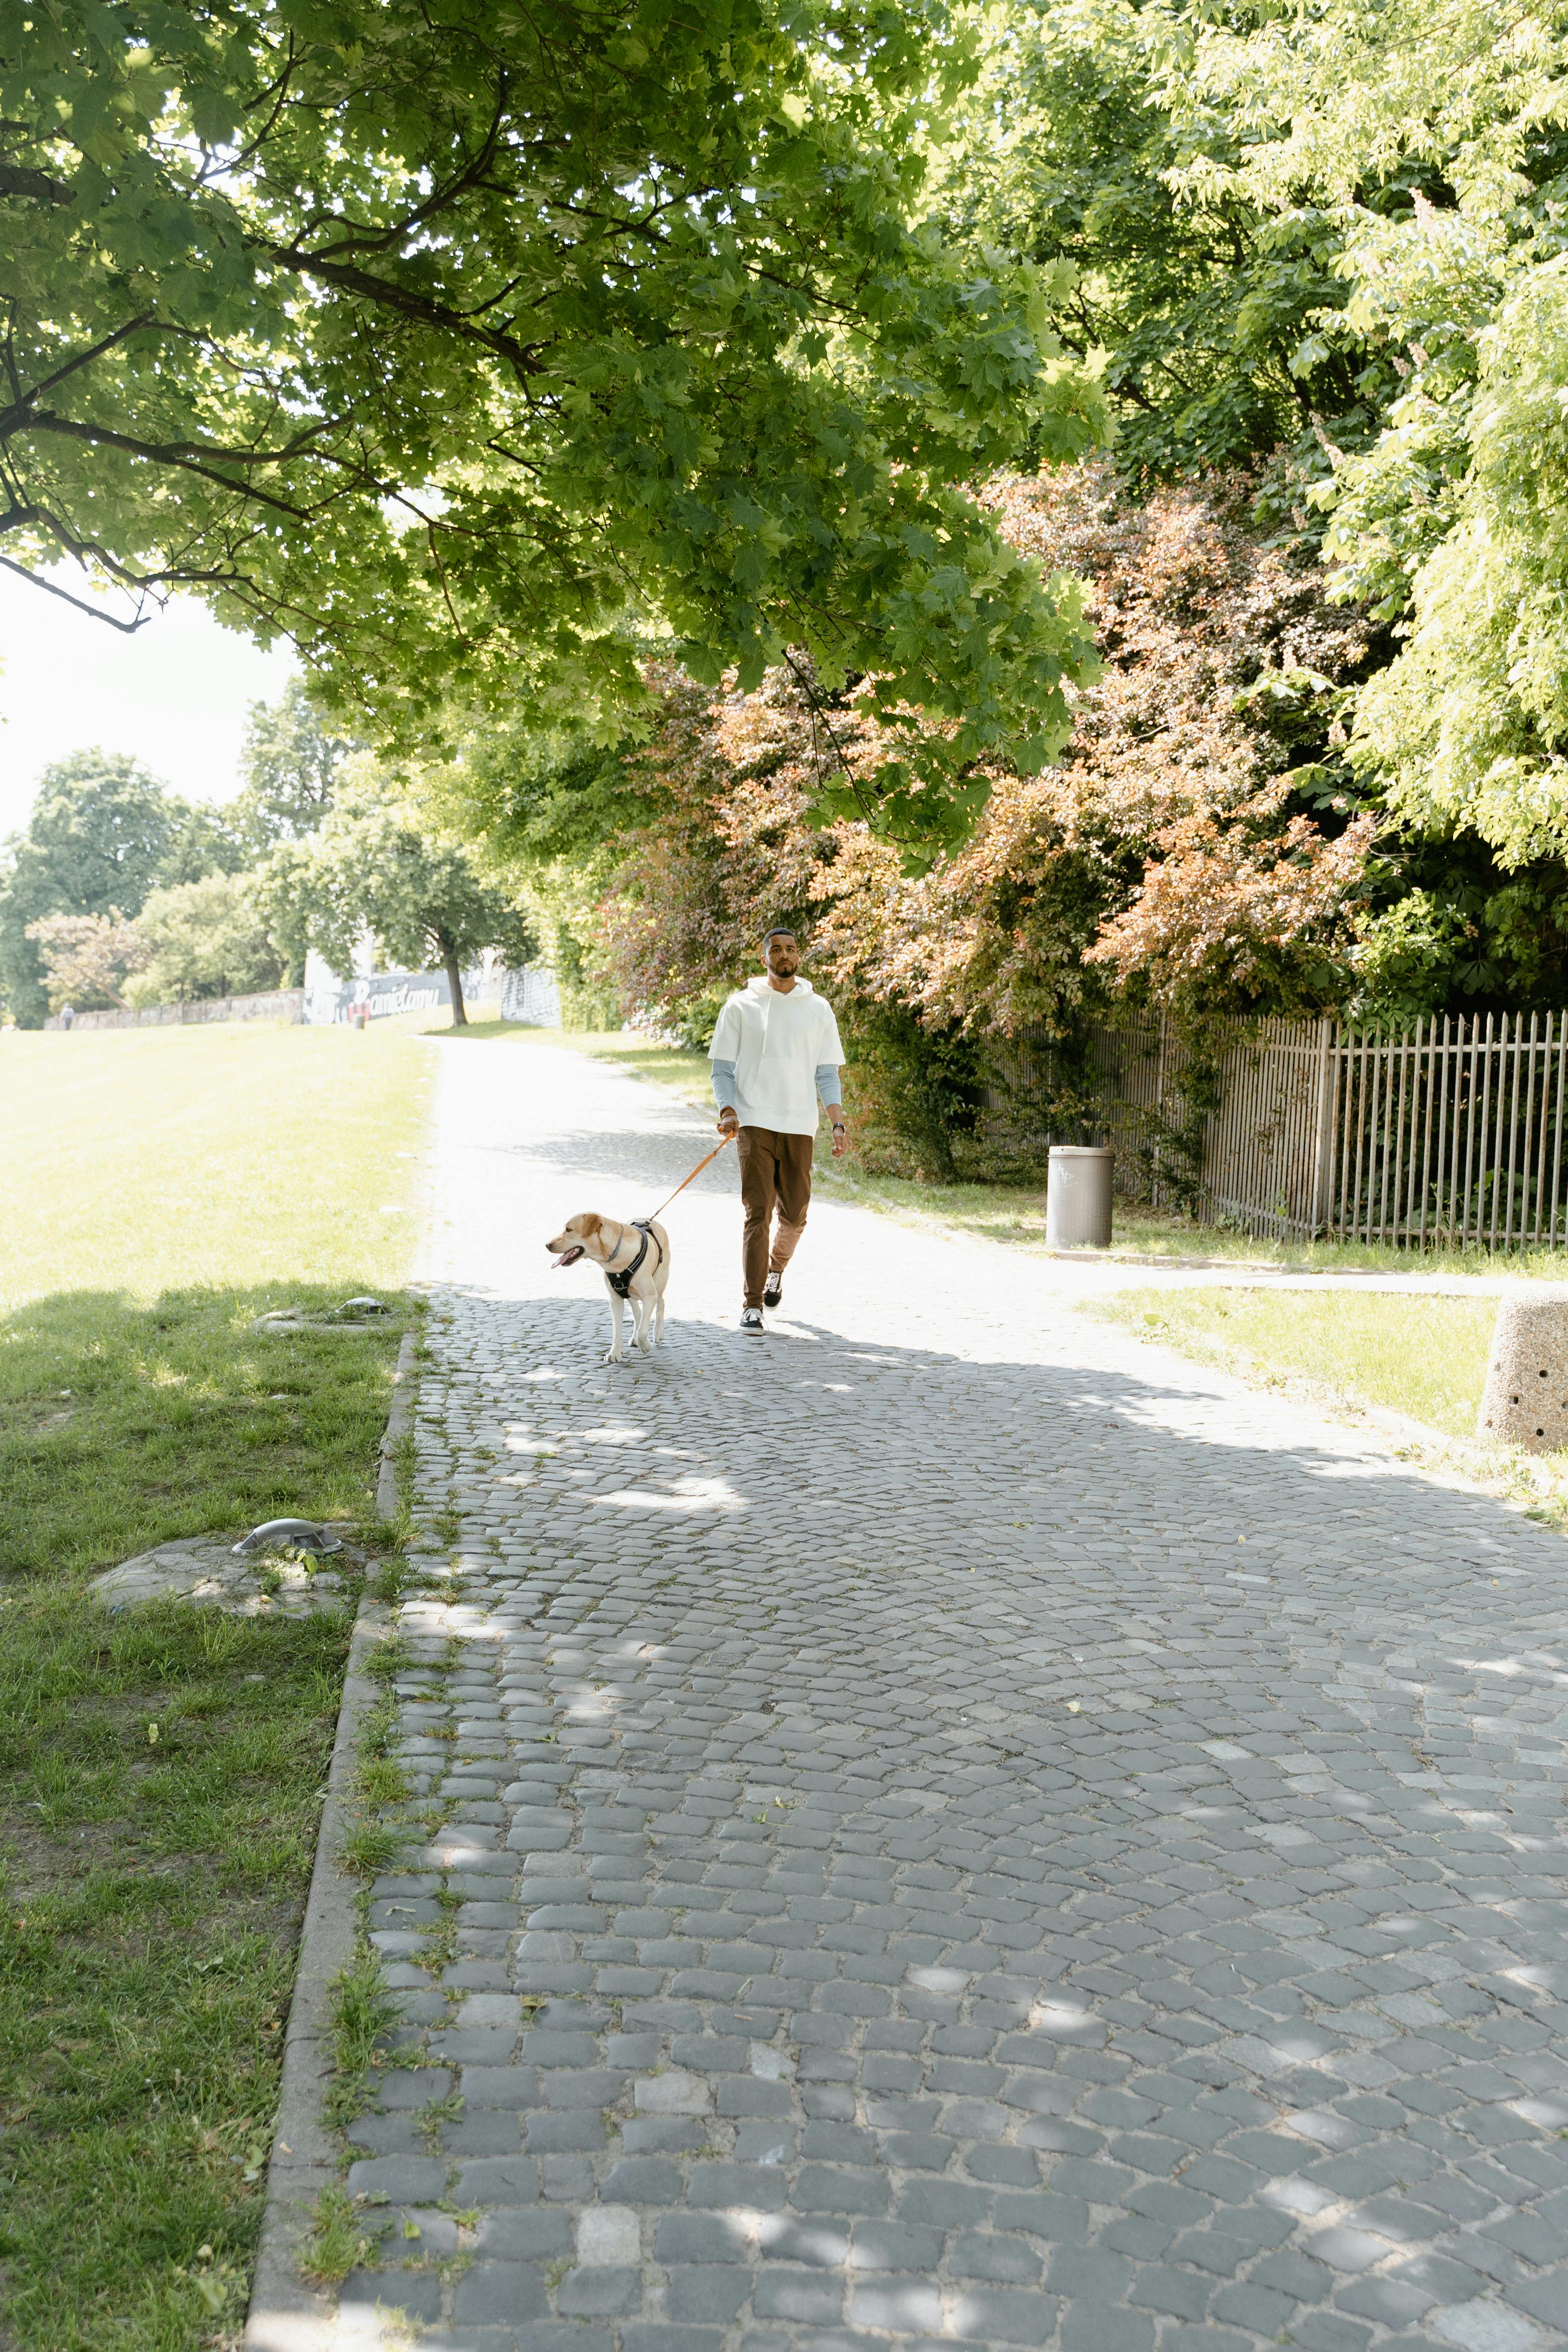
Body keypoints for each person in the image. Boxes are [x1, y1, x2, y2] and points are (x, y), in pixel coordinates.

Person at [709, 927, 847, 1332]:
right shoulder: (739, 1006)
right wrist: (728, 1109)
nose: (783, 955)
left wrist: (837, 1121)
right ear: (763, 957)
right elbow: (721, 1069)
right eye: (776, 949)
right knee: (757, 1213)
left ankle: (776, 1269)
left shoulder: (818, 1008)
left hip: (800, 1124)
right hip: (753, 1122)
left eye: (790, 949)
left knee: (796, 1213)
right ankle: (752, 1304)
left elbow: (826, 1074)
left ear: (798, 956)